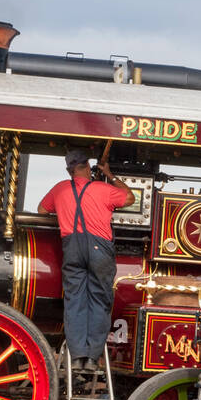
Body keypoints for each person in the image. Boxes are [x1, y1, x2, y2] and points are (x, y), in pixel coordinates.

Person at [38, 148, 132, 376]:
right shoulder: (103, 188)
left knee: (75, 300)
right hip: (99, 247)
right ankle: (92, 358)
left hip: (71, 247)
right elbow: (130, 198)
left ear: (69, 170)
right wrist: (110, 175)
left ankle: (77, 356)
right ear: (88, 167)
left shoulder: (60, 188)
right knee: (99, 300)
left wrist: (64, 213)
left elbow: (42, 210)